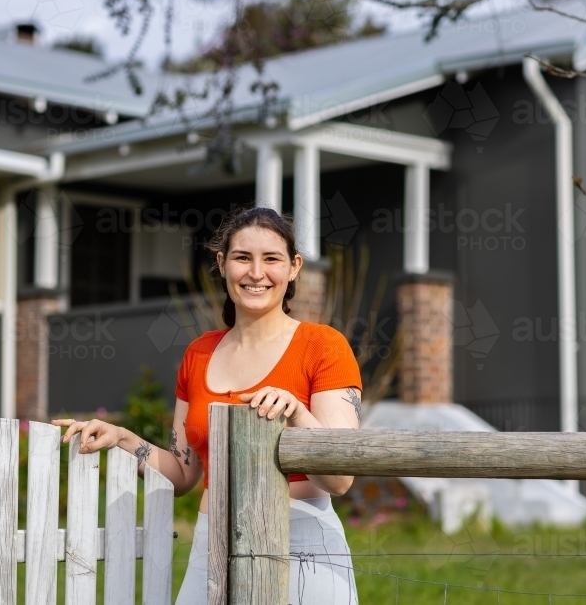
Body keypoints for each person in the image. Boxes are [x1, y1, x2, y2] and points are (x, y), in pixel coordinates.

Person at [53, 206, 362, 604]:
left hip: (302, 543)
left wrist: (298, 412)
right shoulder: (199, 354)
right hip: (212, 540)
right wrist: (123, 439)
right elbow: (184, 475)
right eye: (242, 257)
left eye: (271, 259)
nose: (256, 273)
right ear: (221, 263)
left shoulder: (324, 346)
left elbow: (340, 481)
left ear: (294, 267)